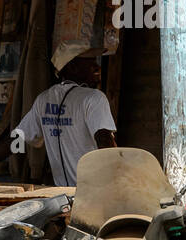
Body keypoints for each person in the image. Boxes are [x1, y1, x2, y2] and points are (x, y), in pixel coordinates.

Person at [13, 55, 117, 185]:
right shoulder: (94, 98)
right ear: (72, 67)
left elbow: (18, 137)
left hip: (64, 195)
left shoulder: (44, 99)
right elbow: (104, 140)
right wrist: (121, 177)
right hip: (93, 193)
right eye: (91, 63)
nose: (98, 67)